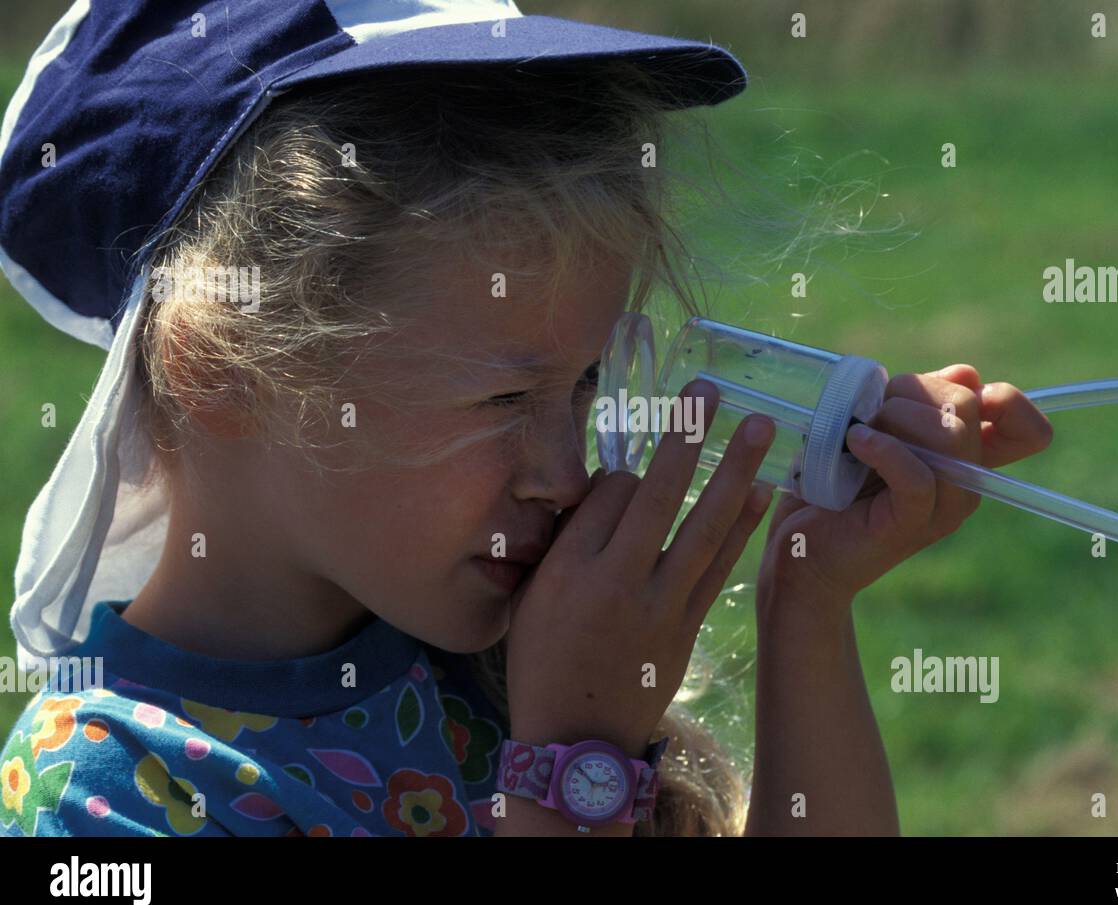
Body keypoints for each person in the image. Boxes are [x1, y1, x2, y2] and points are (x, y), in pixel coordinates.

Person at [0, 0, 1051, 837]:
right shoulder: (104, 795)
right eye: (503, 397)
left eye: (589, 384)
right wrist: (572, 767)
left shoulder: (489, 664)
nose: (562, 468)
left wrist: (808, 600)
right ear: (218, 370)